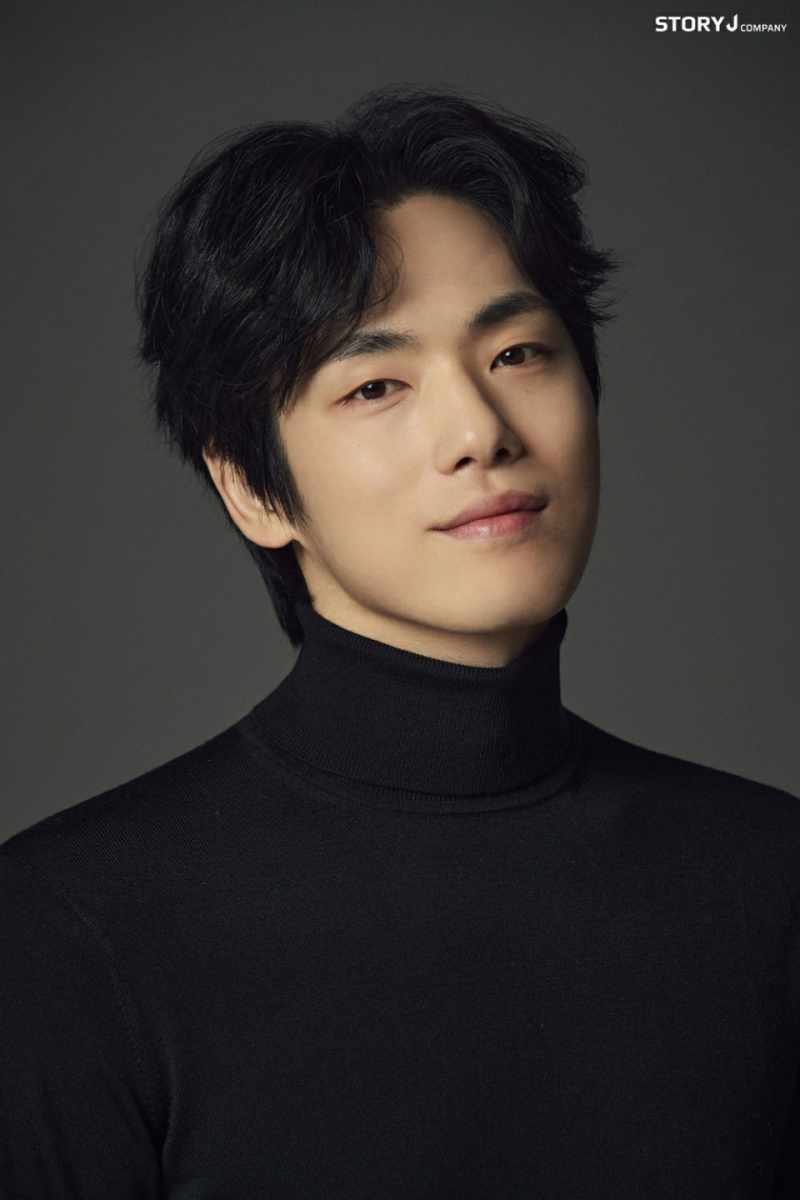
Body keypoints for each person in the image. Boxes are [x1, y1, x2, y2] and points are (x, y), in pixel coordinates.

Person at [0, 85, 797, 1198]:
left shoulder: (768, 881)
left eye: (518, 353)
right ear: (249, 486)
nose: (477, 432)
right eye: (376, 383)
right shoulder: (64, 930)